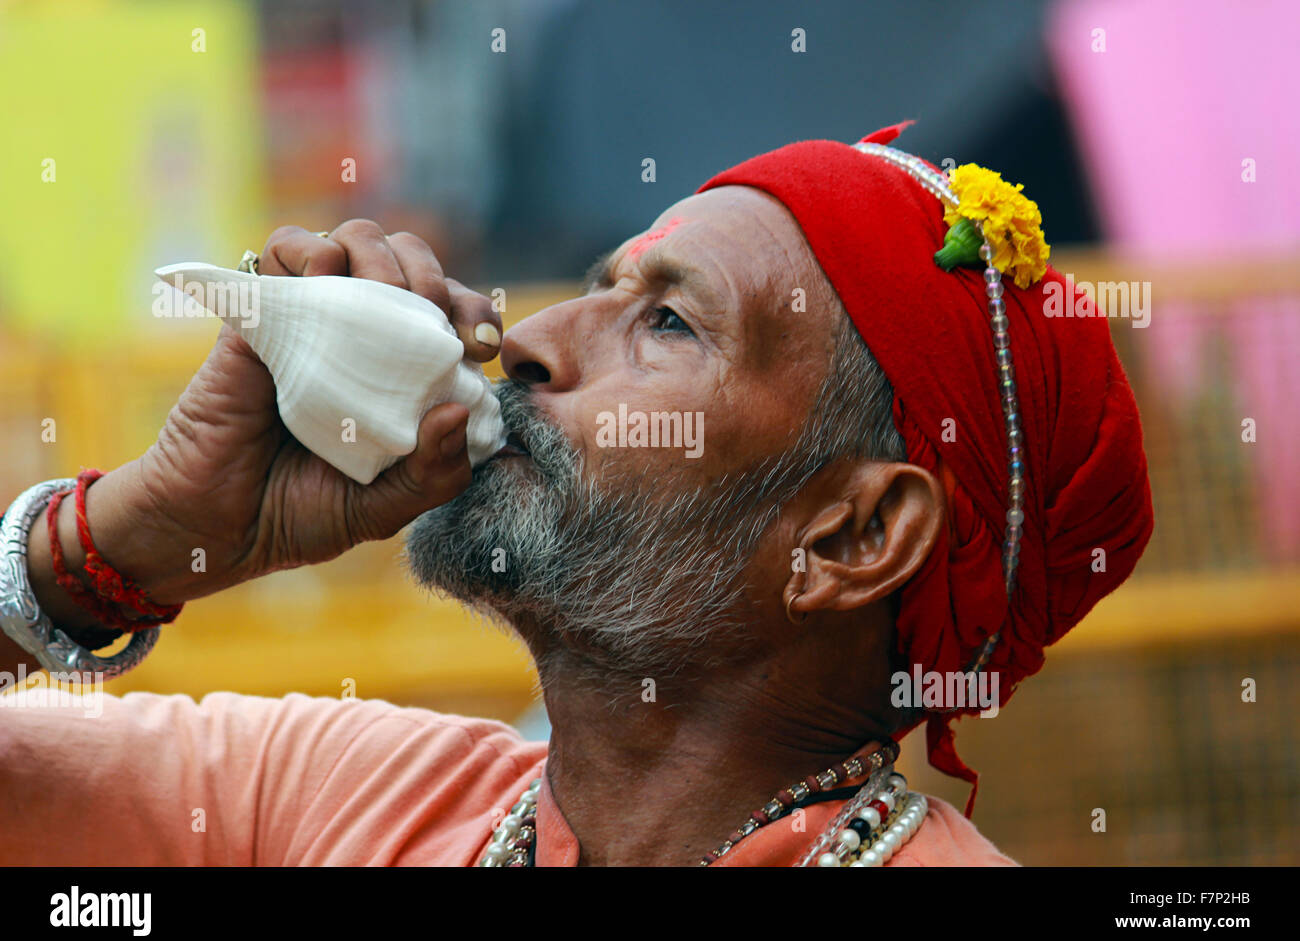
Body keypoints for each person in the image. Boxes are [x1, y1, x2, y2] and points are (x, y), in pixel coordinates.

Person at [0, 124, 1152, 866]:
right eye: (601, 285)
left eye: (665, 321)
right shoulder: (342, 800)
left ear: (852, 535)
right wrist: (129, 544)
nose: (535, 338)